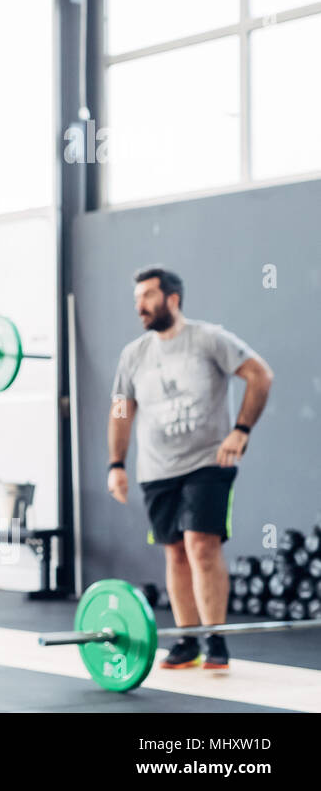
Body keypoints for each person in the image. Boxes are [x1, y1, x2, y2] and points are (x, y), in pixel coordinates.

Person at [107, 267, 273, 672]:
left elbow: (260, 375)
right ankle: (187, 640)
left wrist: (241, 431)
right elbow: (120, 409)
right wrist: (116, 464)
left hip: (208, 462)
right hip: (156, 469)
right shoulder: (134, 354)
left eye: (147, 296)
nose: (140, 306)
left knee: (201, 544)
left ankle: (216, 639)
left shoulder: (209, 339)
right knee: (176, 552)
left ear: (173, 299)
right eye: (137, 299)